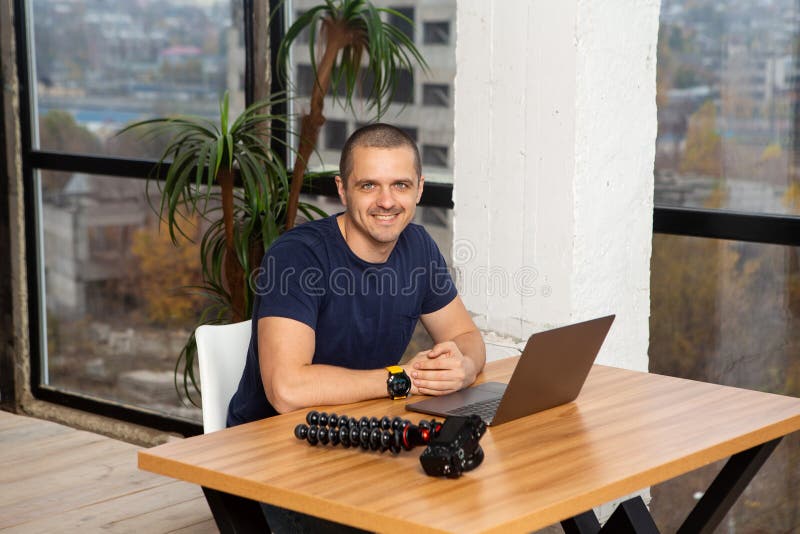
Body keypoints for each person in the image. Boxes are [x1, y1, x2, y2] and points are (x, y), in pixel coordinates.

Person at [226, 123, 486, 532]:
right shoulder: (297, 256)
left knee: (472, 500)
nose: (387, 201)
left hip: (361, 437)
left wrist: (464, 366)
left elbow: (466, 336)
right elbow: (287, 391)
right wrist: (405, 379)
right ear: (343, 190)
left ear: (419, 189)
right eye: (369, 186)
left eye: (400, 185)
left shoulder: (418, 246)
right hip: (272, 455)